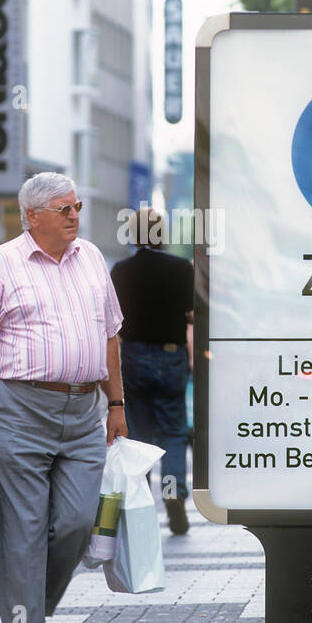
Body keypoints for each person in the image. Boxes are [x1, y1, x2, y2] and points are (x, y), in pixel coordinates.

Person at [0, 173, 126, 623]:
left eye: (77, 206)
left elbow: (111, 334)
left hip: (87, 409)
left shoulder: (91, 258)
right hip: (19, 409)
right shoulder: (0, 264)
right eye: (63, 208)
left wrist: (117, 404)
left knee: (77, 520)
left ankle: (37, 611)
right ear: (33, 217)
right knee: (25, 525)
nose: (74, 215)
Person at [109, 208, 194, 535]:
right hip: (171, 356)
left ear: (133, 234)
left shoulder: (121, 270)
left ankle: (141, 503)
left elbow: (113, 319)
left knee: (140, 434)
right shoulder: (180, 268)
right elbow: (191, 313)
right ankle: (173, 492)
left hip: (134, 355)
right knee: (173, 432)